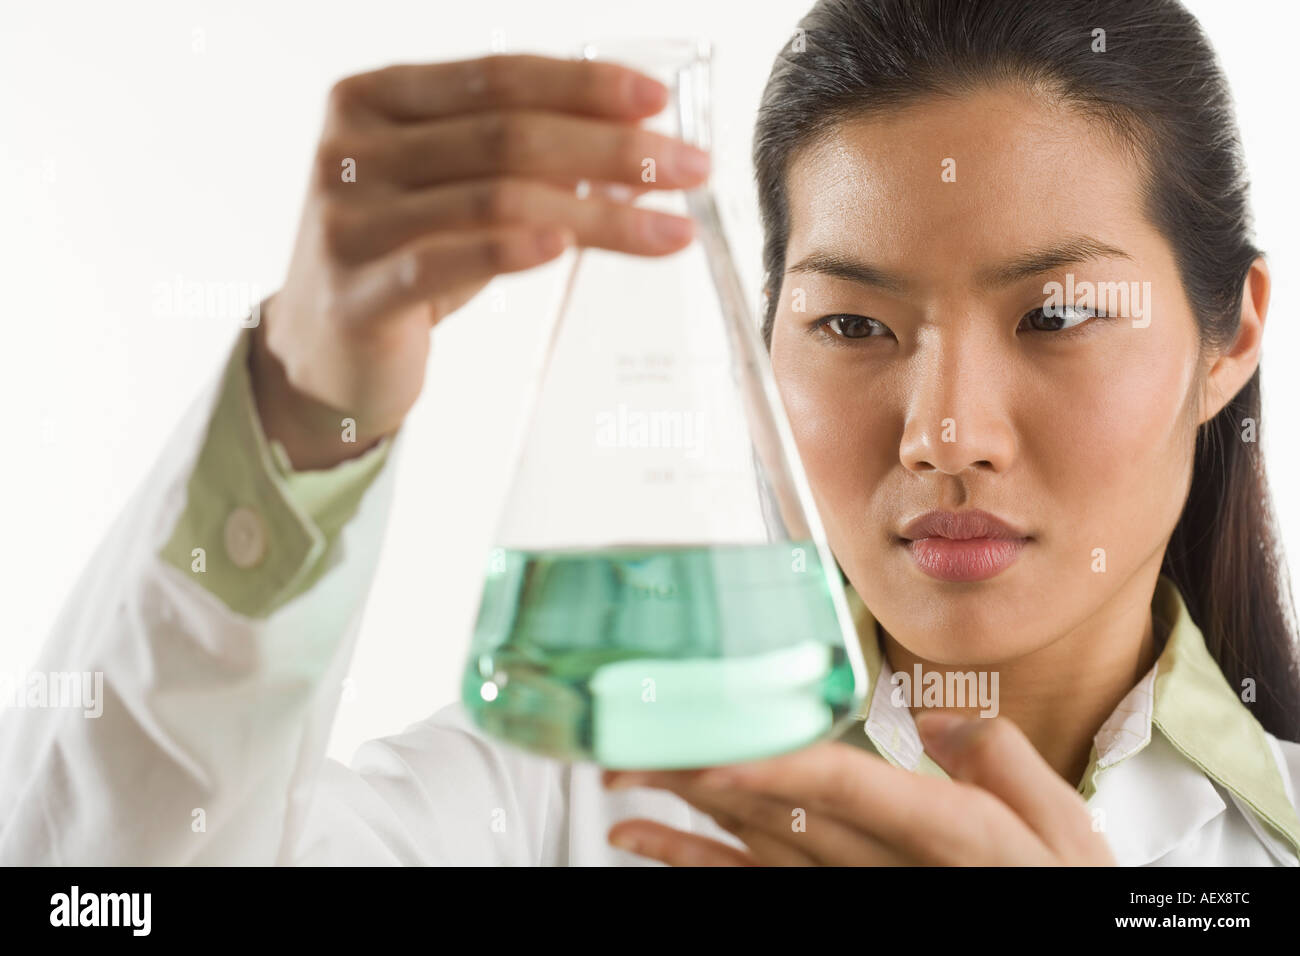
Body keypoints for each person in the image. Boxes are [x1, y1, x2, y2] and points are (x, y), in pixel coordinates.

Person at [3, 0, 1299, 866]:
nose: (945, 435)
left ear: (1230, 338)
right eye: (852, 327)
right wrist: (302, 402)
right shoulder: (568, 793)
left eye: (1058, 313)